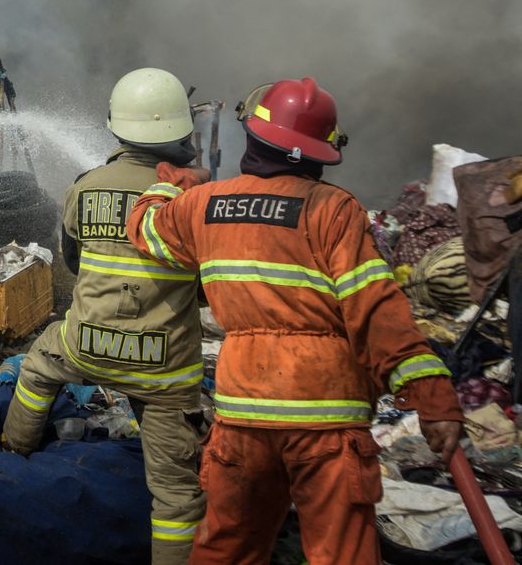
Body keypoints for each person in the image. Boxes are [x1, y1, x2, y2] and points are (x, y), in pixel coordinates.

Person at [127, 77, 463, 564]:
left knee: (227, 549)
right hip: (328, 419)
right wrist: (431, 392)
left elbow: (146, 231)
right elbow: (374, 308)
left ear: (254, 136)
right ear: (318, 152)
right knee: (341, 555)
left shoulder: (204, 205)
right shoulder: (334, 209)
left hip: (244, 412)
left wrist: (169, 183)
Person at [2, 67, 207, 565]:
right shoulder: (193, 199)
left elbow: (72, 262)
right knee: (177, 495)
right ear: (181, 131)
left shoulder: (84, 186)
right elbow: (204, 289)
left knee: (39, 363)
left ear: (116, 125)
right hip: (165, 370)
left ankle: (13, 453)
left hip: (87, 346)